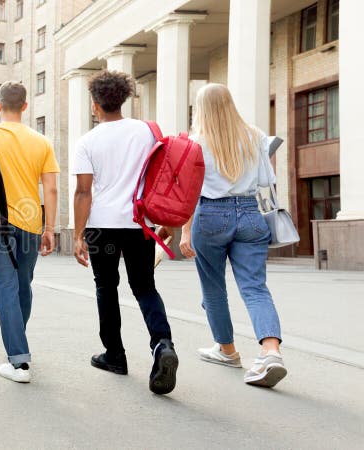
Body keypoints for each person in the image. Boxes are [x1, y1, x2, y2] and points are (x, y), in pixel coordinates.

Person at [72, 70, 178, 396]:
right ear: (124, 99)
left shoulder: (87, 141)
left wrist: (77, 235)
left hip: (101, 227)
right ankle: (162, 344)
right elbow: (164, 176)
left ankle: (114, 356)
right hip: (139, 222)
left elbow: (83, 193)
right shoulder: (145, 132)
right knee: (145, 286)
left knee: (106, 287)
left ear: (95, 105)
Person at [179, 83, 287, 388]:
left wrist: (185, 230)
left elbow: (189, 192)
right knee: (255, 287)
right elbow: (268, 180)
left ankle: (226, 350)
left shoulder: (194, 142)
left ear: (200, 109)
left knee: (213, 288)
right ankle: (271, 351)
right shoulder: (255, 136)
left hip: (210, 215)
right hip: (252, 213)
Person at [0, 81, 59, 384]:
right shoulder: (41, 141)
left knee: (6, 289)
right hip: (31, 224)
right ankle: (15, 345)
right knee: (22, 287)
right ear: (25, 106)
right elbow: (52, 188)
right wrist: (50, 228)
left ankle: (18, 361)